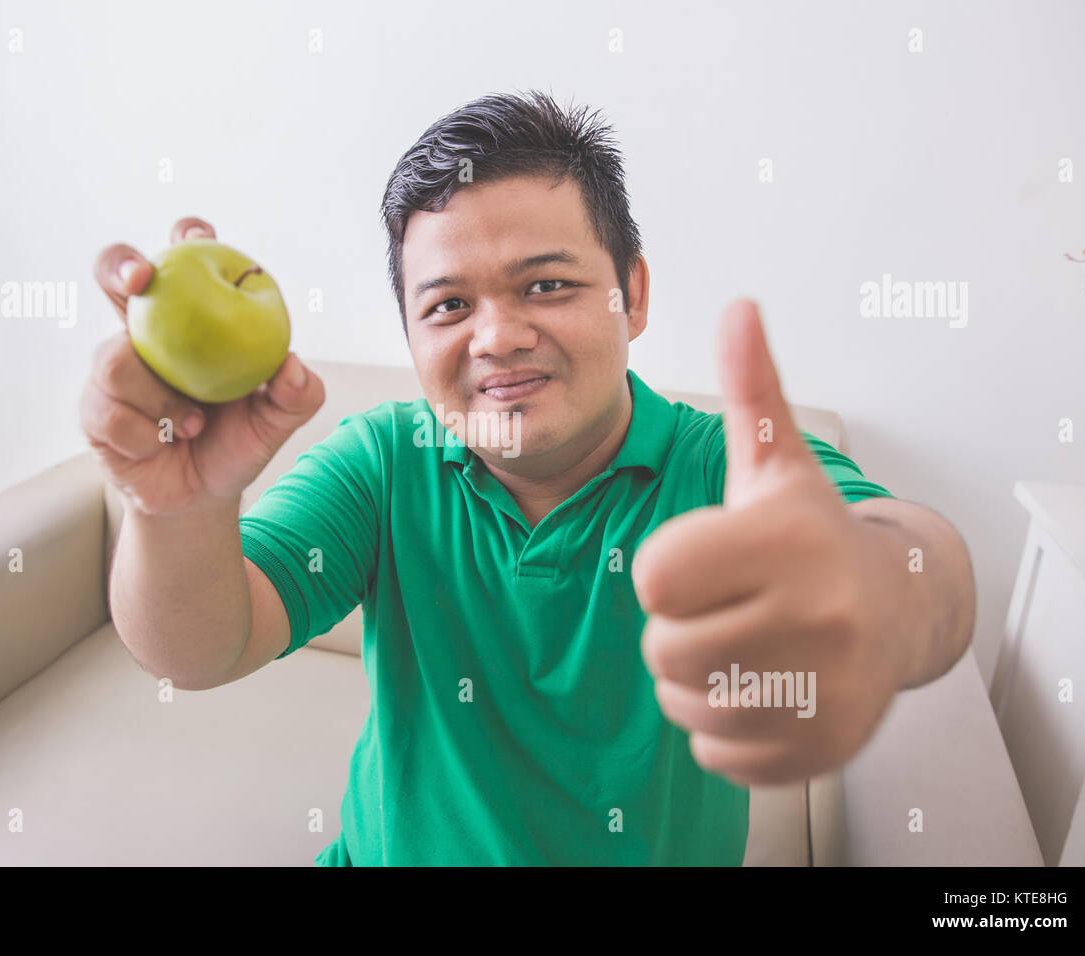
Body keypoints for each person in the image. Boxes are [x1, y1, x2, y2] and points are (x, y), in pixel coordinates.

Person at [80, 89, 975, 866]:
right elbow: (196, 652)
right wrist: (179, 510)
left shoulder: (721, 463)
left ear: (633, 290)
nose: (496, 337)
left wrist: (874, 593)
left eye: (545, 286)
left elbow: (921, 568)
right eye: (449, 305)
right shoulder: (385, 460)